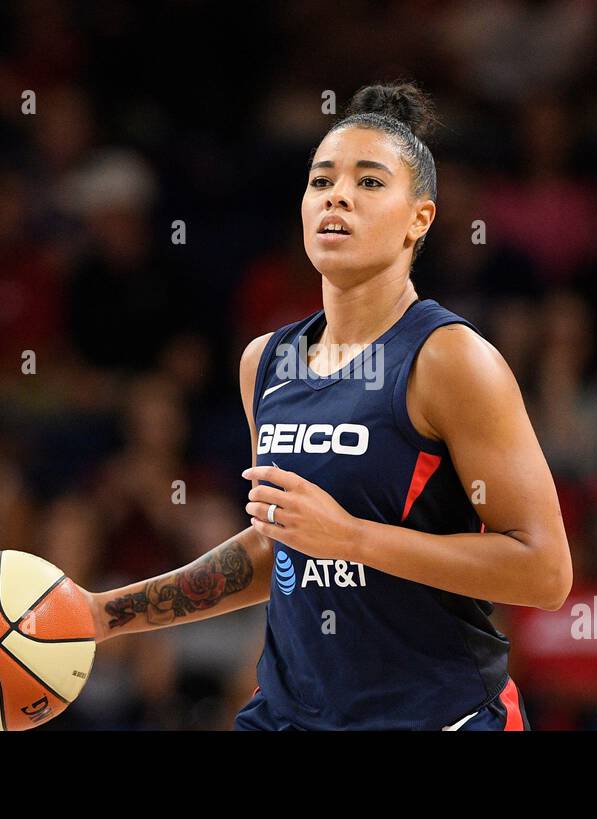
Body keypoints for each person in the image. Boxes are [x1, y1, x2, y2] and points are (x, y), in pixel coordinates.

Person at [79, 82, 572, 730]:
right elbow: (278, 546)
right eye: (321, 181)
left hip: (438, 714)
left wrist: (352, 538)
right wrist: (104, 613)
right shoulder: (266, 360)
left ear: (419, 218)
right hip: (291, 715)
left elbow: (544, 570)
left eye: (369, 183)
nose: (336, 195)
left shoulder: (449, 359)